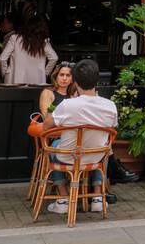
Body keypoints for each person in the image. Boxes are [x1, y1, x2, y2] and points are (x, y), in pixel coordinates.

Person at [45, 59, 118, 215]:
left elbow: (46, 126)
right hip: (96, 158)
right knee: (102, 147)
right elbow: (111, 130)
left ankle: (63, 197)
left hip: (68, 157)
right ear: (97, 80)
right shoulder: (110, 106)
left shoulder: (67, 105)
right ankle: (97, 197)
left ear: (75, 81)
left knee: (52, 147)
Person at [0, 12, 57, 85]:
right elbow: (54, 58)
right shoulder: (43, 42)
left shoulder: (14, 38)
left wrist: (5, 74)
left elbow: (2, 59)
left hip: (14, 79)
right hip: (37, 80)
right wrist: (45, 73)